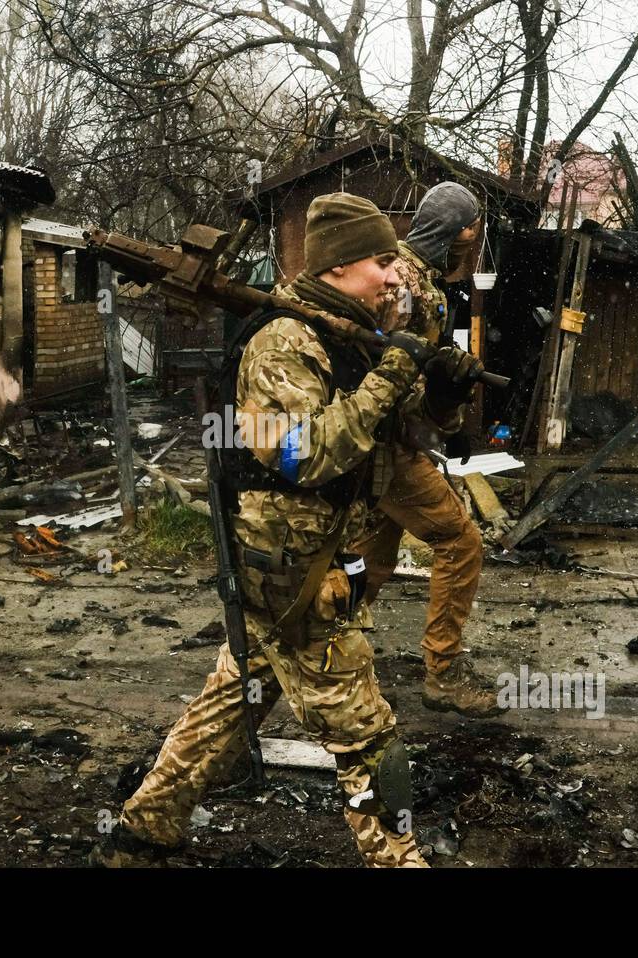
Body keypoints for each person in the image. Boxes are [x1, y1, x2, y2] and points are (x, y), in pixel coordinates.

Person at [96, 192, 471, 867]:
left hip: (316, 561)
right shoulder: (282, 343)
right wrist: (393, 374)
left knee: (236, 697)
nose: (394, 275)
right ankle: (399, 859)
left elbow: (400, 425)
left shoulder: (348, 331)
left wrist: (441, 391)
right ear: (335, 268)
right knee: (367, 737)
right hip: (293, 574)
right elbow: (302, 455)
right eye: (380, 260)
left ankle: (144, 828)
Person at [353, 181, 497, 717]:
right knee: (461, 543)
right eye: (469, 232)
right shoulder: (414, 286)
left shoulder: (402, 272)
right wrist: (442, 409)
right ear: (455, 232)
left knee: (373, 560)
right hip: (391, 446)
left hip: (374, 443)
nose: (470, 243)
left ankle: (325, 653)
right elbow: (389, 370)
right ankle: (443, 674)